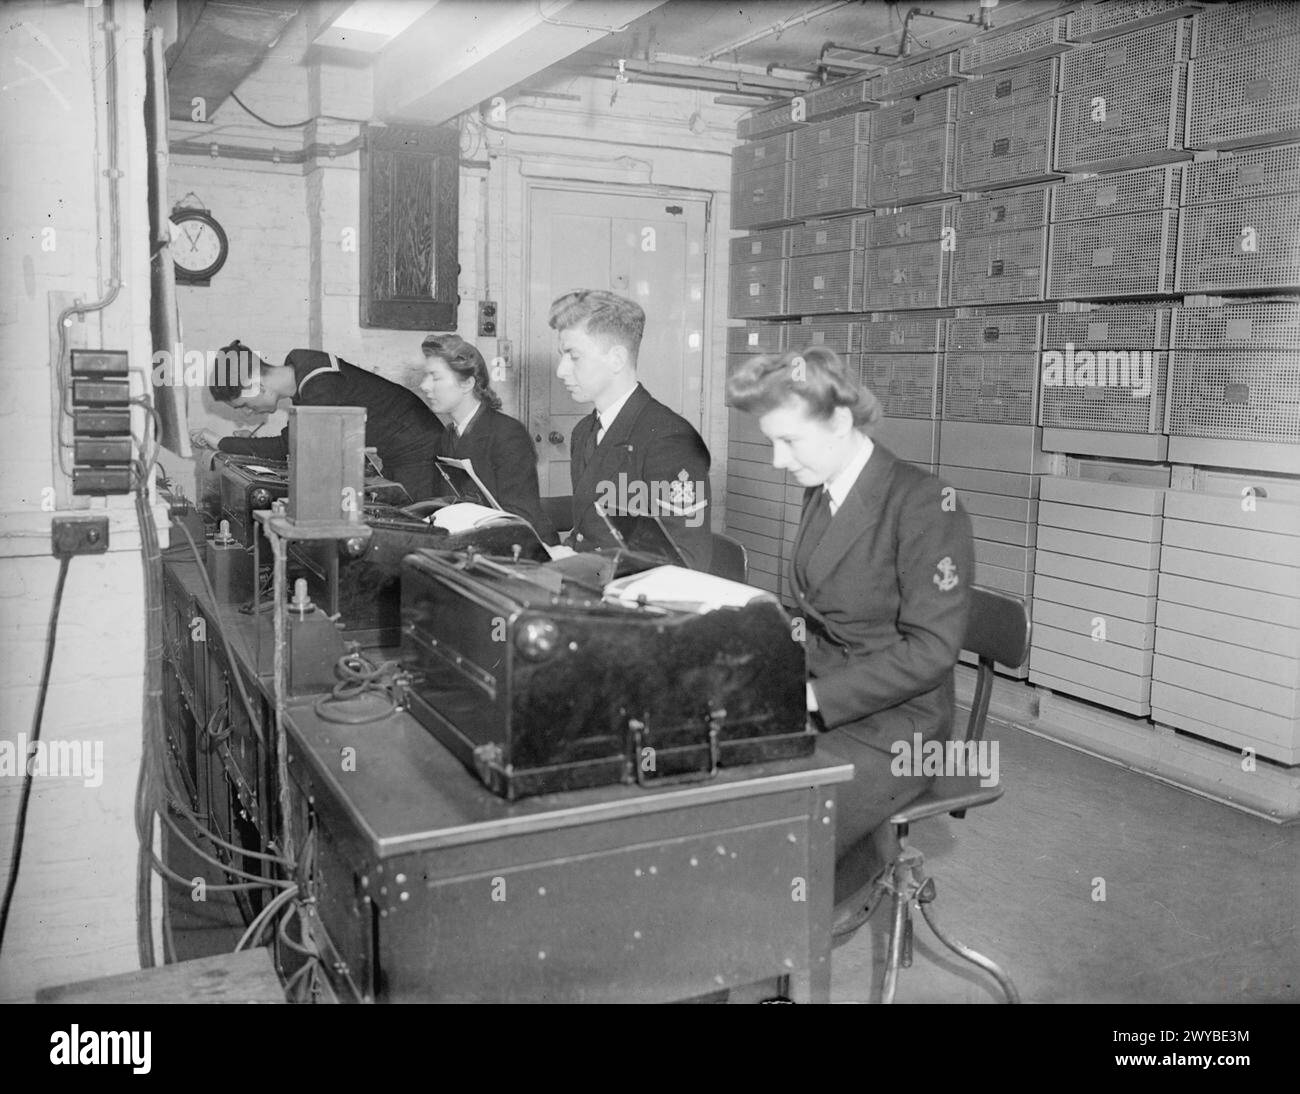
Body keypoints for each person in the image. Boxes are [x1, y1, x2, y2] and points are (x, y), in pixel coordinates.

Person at [727, 345, 974, 940]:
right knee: (714, 790)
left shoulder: (924, 504)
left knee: (766, 848)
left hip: (898, 726)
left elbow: (932, 652)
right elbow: (819, 614)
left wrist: (812, 701)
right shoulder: (826, 485)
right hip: (826, 694)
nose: (777, 461)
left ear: (839, 423)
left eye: (789, 441)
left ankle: (773, 944)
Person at [548, 289, 713, 571]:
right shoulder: (584, 431)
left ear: (616, 359)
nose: (561, 370)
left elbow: (686, 561)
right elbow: (590, 527)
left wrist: (581, 563)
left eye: (573, 356)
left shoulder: (670, 441)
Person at [194, 341, 445, 501]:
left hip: (418, 449)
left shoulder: (320, 384)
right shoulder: (305, 377)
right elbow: (296, 438)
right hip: (403, 449)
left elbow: (290, 444)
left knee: (415, 534)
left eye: (245, 405)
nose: (248, 414)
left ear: (257, 386)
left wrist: (220, 442)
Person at [417, 333, 558, 545]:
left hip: (527, 549)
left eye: (435, 377)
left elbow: (521, 518)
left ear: (467, 383)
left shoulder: (508, 434)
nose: (424, 386)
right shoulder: (448, 434)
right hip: (476, 543)